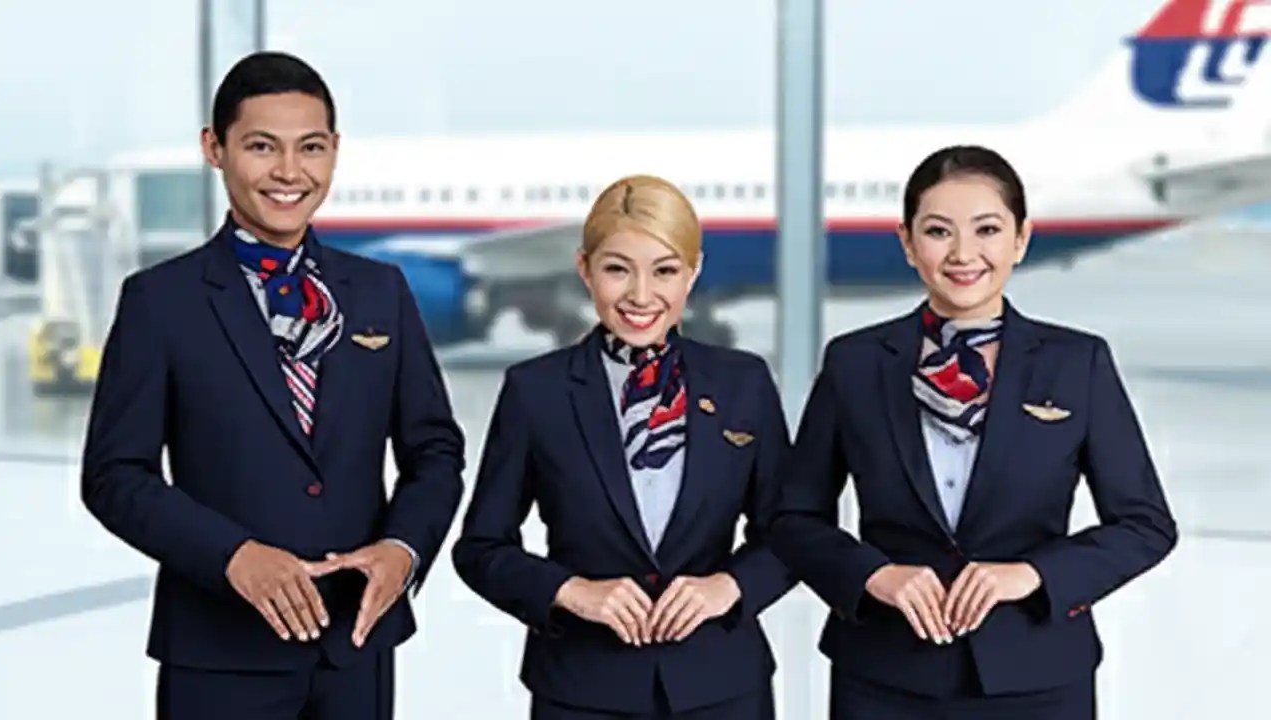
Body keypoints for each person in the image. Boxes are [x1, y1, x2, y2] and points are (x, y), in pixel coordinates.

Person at [79, 51, 465, 720]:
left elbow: (435, 452)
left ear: (335, 152)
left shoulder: (381, 293)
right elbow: (115, 475)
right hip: (217, 653)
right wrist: (232, 557)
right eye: (262, 147)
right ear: (215, 148)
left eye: (310, 148)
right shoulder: (160, 301)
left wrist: (402, 551)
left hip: (357, 646)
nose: (290, 172)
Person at [769, 145, 1178, 719]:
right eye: (939, 231)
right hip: (884, 677)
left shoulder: (1076, 363)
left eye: (987, 229)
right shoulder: (856, 363)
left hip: (1037, 677)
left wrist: (1032, 574)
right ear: (909, 243)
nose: (963, 254)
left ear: (1021, 239)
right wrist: (875, 576)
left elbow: (1145, 525)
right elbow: (793, 518)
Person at [452, 175, 796, 719]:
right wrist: (572, 592)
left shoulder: (743, 384)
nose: (641, 295)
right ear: (585, 269)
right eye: (618, 269)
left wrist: (726, 586)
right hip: (581, 690)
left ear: (693, 272)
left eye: (664, 271)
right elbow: (481, 548)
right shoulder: (536, 391)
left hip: (722, 689)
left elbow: (791, 532)